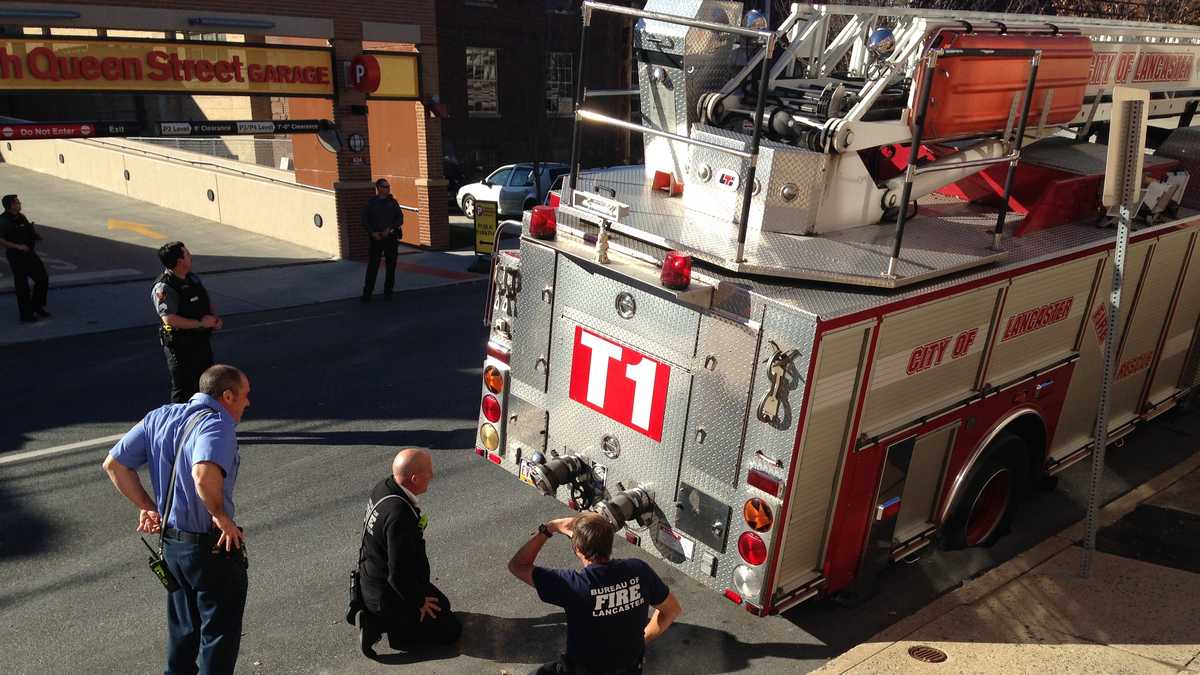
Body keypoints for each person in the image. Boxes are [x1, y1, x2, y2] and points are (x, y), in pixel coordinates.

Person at [101, 364, 252, 675]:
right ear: (227, 395)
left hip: (171, 546)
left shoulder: (160, 416)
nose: (248, 403)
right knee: (218, 635)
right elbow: (203, 474)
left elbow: (114, 464)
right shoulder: (216, 425)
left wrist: (147, 505)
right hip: (209, 547)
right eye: (244, 396)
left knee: (183, 630)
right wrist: (221, 517)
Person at [509, 512, 683, 675]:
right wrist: (642, 640)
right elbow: (672, 610)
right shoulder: (639, 570)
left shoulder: (572, 586)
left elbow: (518, 566)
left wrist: (548, 529)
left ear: (578, 549)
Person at [351, 448, 462, 659]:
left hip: (372, 577)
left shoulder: (385, 487)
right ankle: (382, 625)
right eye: (428, 472)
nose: (432, 475)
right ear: (414, 478)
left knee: (443, 606)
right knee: (450, 632)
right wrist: (419, 602)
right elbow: (398, 575)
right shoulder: (400, 515)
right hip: (389, 592)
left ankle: (392, 620)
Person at [153, 241, 222, 403]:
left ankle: (204, 422)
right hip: (181, 348)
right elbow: (168, 318)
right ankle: (177, 425)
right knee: (183, 389)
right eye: (187, 254)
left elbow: (205, 299)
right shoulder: (164, 287)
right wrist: (201, 323)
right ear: (180, 261)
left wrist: (214, 318)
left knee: (207, 383)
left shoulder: (192, 278)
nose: (191, 256)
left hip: (201, 342)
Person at [0, 194, 50, 323]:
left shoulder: (21, 217)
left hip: (29, 253)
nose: (20, 204)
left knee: (42, 279)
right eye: (17, 202)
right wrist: (17, 246)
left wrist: (36, 236)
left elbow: (28, 229)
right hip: (16, 256)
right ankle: (26, 314)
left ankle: (37, 306)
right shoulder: (3, 220)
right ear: (11, 205)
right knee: (22, 286)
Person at [361, 178, 404, 302]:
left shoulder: (393, 202)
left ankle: (388, 292)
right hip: (376, 239)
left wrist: (390, 228)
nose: (388, 188)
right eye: (385, 186)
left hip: (390, 238)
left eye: (388, 186)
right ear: (379, 188)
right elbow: (364, 219)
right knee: (373, 266)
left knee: (391, 266)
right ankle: (367, 293)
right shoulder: (371, 203)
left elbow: (400, 218)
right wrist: (372, 232)